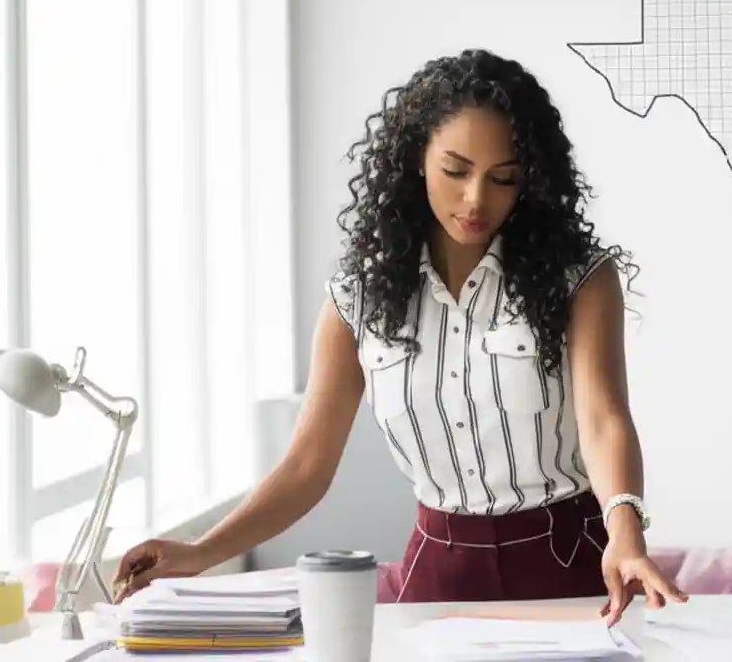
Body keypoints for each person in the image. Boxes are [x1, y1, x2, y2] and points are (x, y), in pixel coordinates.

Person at [112, 48, 687, 625]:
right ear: (417, 157)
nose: (475, 200)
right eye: (456, 170)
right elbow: (308, 464)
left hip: (569, 563)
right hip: (436, 568)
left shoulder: (579, 280)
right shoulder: (355, 301)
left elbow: (603, 418)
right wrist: (199, 553)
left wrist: (626, 532)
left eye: (503, 178)